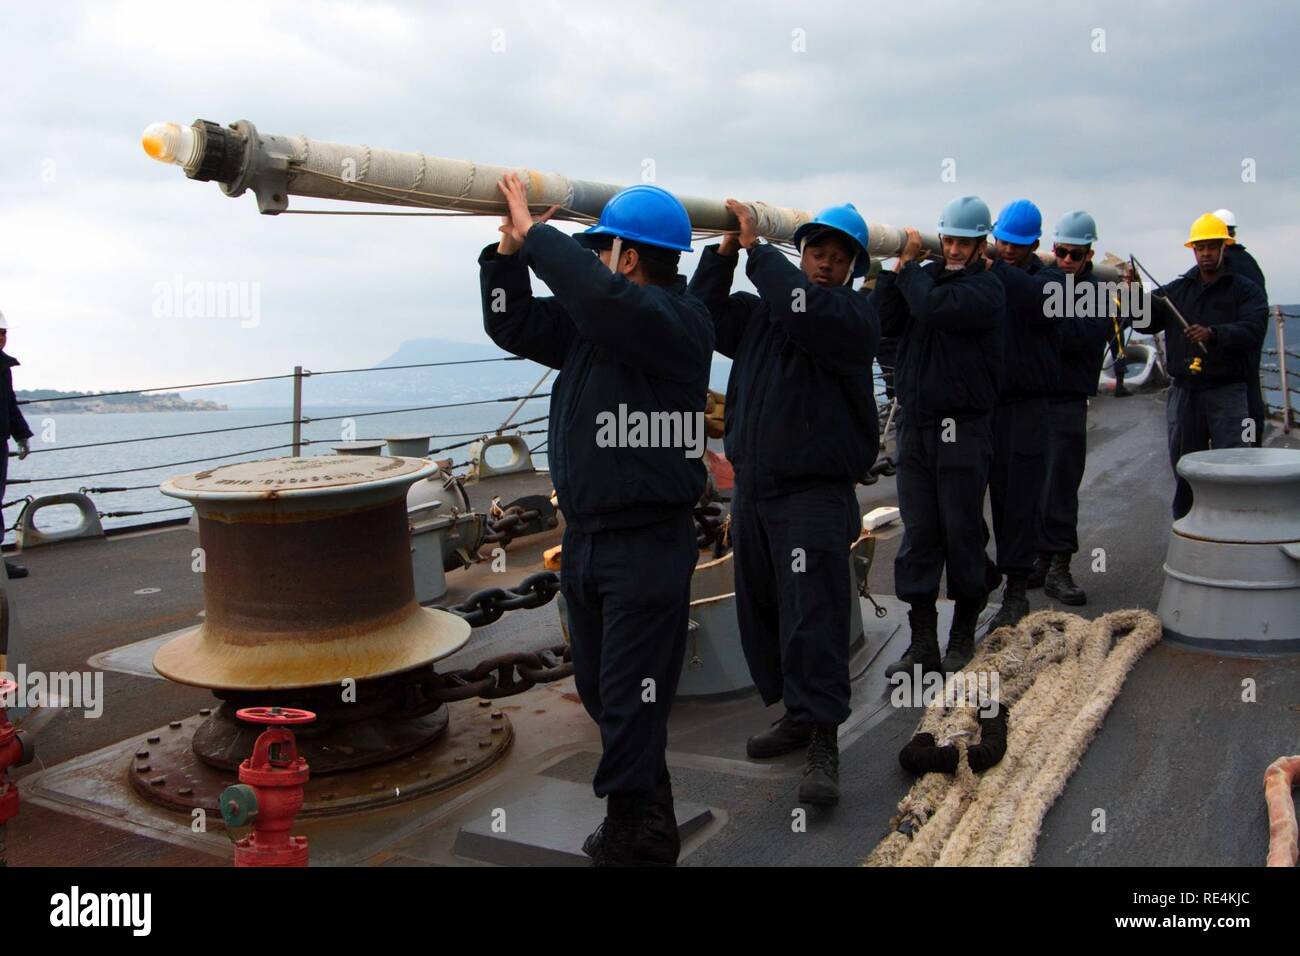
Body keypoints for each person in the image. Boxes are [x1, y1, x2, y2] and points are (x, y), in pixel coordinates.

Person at [479, 174, 714, 865]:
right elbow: (510, 322)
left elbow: (604, 300)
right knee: (602, 689)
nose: (598, 261)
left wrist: (540, 235)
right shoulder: (593, 329)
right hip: (585, 539)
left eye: (603, 249)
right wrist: (505, 254)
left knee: (632, 693)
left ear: (628, 256)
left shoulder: (679, 323)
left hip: (645, 542)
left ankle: (635, 837)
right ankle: (650, 810)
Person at [689, 199, 877, 806]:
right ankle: (798, 715)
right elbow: (706, 316)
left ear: (852, 267)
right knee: (766, 611)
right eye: (817, 253)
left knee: (812, 616)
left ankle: (824, 737)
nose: (826, 265)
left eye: (838, 258)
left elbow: (807, 310)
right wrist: (722, 255)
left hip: (812, 496)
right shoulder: (767, 314)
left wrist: (756, 250)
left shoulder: (849, 316)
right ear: (804, 253)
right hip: (758, 493)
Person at [870, 197, 1005, 676]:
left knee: (962, 532)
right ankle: (923, 641)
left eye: (962, 242)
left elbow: (932, 306)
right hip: (918, 427)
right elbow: (883, 322)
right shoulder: (928, 283)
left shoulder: (984, 291)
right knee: (921, 535)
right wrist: (894, 271)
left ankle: (963, 631)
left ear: (979, 245)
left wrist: (910, 271)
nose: (951, 248)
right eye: (947, 239)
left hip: (962, 429)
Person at [1136, 213, 1267, 519]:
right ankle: (1188, 527)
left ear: (1224, 247)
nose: (1205, 253)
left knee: (1234, 467)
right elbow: (1145, 322)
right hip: (1185, 394)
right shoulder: (1178, 290)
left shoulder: (1245, 289)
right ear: (1193, 250)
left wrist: (1215, 333)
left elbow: (1254, 329)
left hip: (1228, 392)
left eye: (1211, 246)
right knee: (1185, 467)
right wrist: (1133, 300)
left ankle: (1236, 528)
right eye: (1200, 248)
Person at [983, 199, 1062, 631]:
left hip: (1026, 406)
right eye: (1002, 243)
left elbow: (1038, 298)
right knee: (959, 501)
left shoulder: (1048, 280)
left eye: (1017, 245)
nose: (1008, 251)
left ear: (1033, 244)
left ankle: (1015, 593)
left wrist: (992, 265)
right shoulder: (987, 272)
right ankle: (979, 574)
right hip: (981, 406)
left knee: (1017, 503)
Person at [1029, 211, 1111, 605]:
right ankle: (1041, 560)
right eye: (1059, 252)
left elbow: (1072, 337)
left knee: (1060, 485)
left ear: (1087, 255)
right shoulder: (1045, 285)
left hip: (1066, 401)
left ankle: (1059, 564)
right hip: (1034, 399)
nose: (1064, 260)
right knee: (1031, 483)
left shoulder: (1094, 296)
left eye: (1073, 255)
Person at [1212, 209, 1269, 446]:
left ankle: (1243, 450)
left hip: (1230, 345)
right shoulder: (1249, 262)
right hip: (1250, 339)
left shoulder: (1226, 265)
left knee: (1237, 396)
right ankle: (1253, 444)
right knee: (1251, 390)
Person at [0, 311, 32, 579]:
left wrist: (21, 435)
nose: (2, 338)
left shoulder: (3, 367)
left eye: (3, 333)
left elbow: (9, 405)